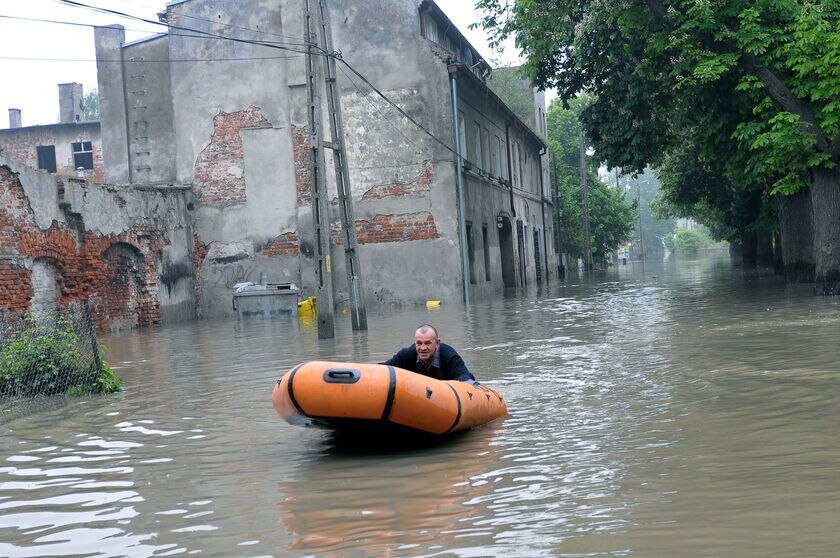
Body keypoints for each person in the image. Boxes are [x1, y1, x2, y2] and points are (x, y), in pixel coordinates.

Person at [384, 324, 476, 382]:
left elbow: (465, 377)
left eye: (428, 343)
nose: (423, 348)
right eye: (419, 343)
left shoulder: (449, 356)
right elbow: (383, 369)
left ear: (437, 343)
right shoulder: (406, 355)